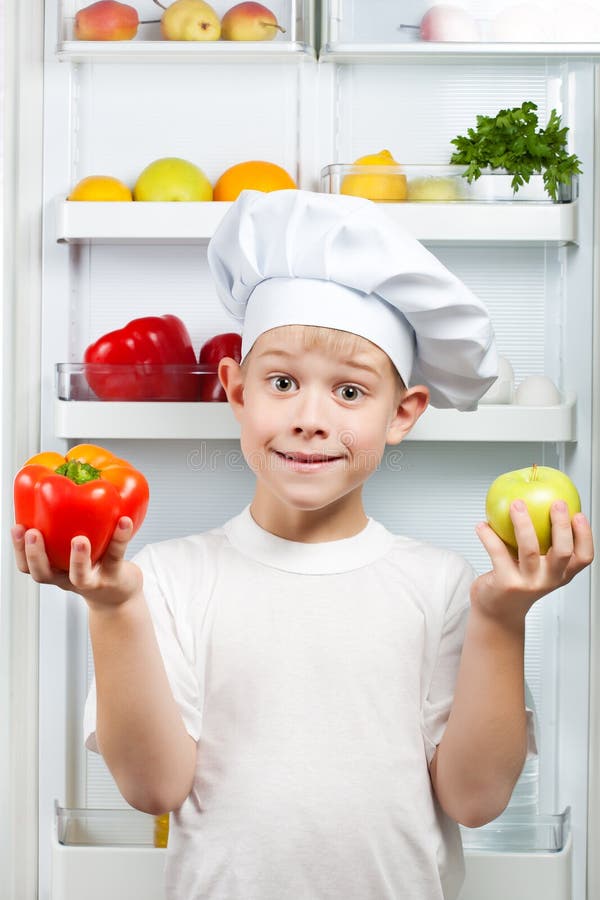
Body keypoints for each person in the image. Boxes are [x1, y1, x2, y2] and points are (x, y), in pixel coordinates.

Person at [12, 190, 594, 900]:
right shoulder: (165, 580)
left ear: (403, 414)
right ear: (235, 391)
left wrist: (503, 619)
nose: (311, 419)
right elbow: (154, 788)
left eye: (350, 393)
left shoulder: (442, 585)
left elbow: (474, 800)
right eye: (282, 382)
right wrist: (112, 611)